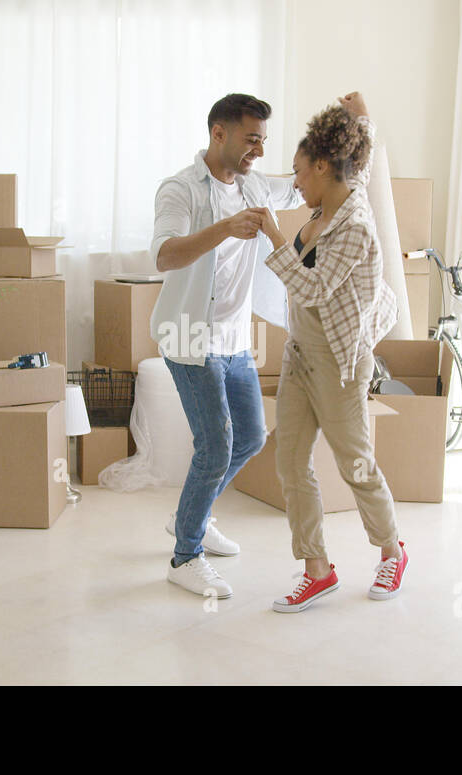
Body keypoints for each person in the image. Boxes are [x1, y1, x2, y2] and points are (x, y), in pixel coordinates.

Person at [149, 93, 305, 598]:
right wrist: (222, 229)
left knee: (252, 438)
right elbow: (165, 256)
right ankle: (185, 555)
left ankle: (191, 518)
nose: (258, 150)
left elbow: (300, 184)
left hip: (236, 339)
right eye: (250, 139)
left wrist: (350, 129)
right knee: (214, 446)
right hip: (189, 336)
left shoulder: (254, 183)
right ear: (219, 133)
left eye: (263, 140)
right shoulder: (180, 189)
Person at [257, 92, 407, 613]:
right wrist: (360, 113)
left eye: (300, 172)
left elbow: (314, 289)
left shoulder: (356, 225)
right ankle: (316, 568)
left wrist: (274, 237)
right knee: (290, 460)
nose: (295, 182)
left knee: (355, 463)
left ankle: (392, 550)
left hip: (340, 362)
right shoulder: (335, 194)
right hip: (300, 353)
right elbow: (357, 158)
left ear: (323, 167)